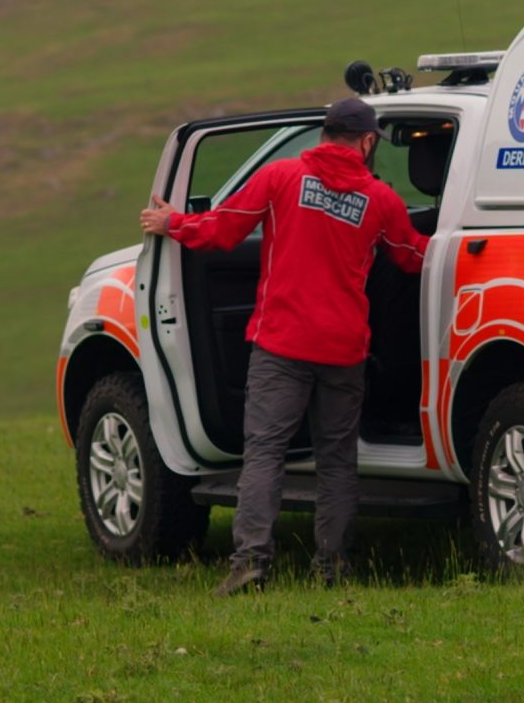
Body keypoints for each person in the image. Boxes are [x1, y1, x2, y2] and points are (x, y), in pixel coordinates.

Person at [140, 98, 429, 595]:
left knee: (266, 453)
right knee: (337, 461)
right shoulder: (380, 199)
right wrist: (469, 247)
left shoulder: (281, 178)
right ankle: (333, 566)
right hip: (343, 351)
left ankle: (251, 562)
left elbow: (223, 230)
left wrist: (173, 224)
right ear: (365, 142)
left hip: (282, 346)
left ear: (323, 136)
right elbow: (410, 256)